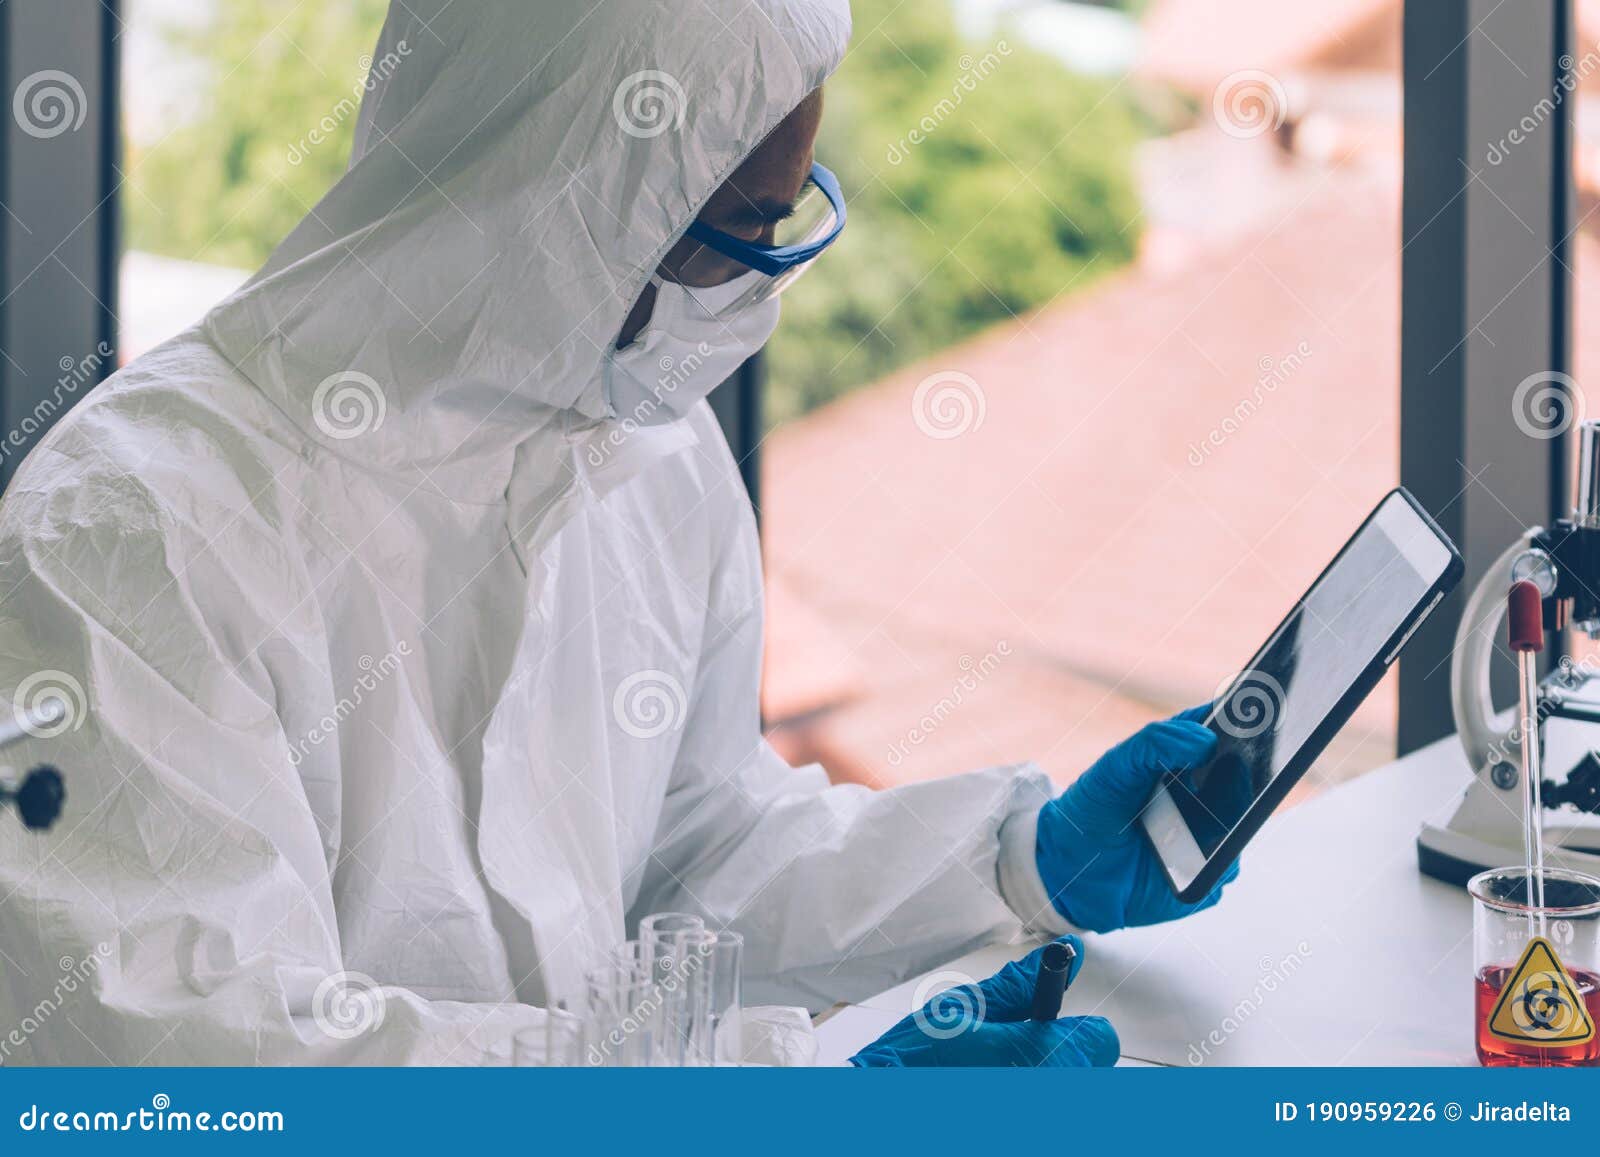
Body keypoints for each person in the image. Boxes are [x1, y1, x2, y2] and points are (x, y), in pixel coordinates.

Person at [0, 0, 1230, 1066]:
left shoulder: (645, 447)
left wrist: (1015, 859)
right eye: (736, 225)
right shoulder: (125, 533)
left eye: (785, 217)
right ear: (555, 194)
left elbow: (691, 861)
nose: (750, 289)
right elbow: (199, 1057)